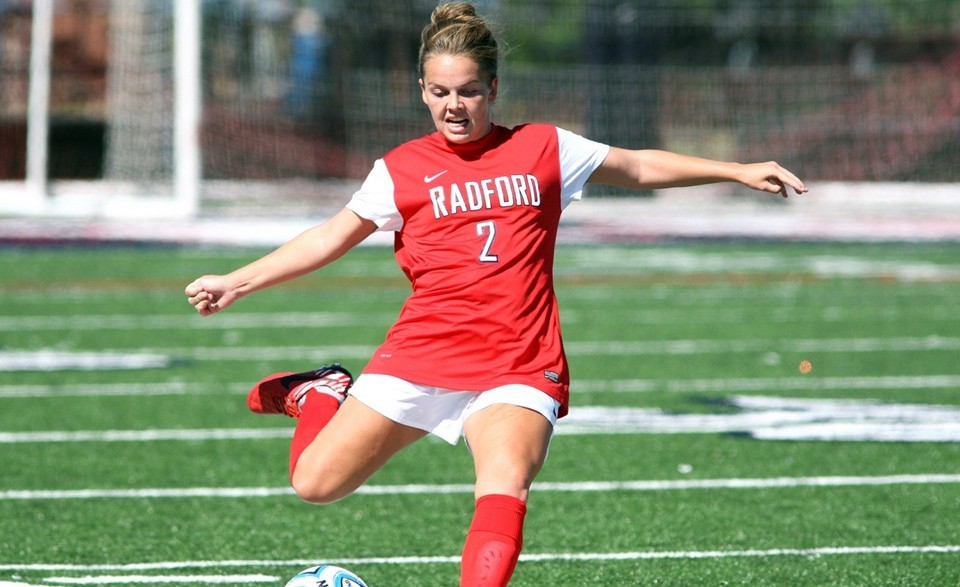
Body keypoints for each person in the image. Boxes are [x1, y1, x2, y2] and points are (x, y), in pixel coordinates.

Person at [184, 3, 808, 585]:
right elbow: (328, 238)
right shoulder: (400, 168)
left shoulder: (543, 147)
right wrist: (234, 282)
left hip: (518, 361)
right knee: (316, 484)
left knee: (505, 484)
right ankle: (320, 392)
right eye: (439, 92)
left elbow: (638, 167)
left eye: (468, 91)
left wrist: (736, 171)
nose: (453, 106)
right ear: (421, 90)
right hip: (423, 351)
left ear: (493, 89)